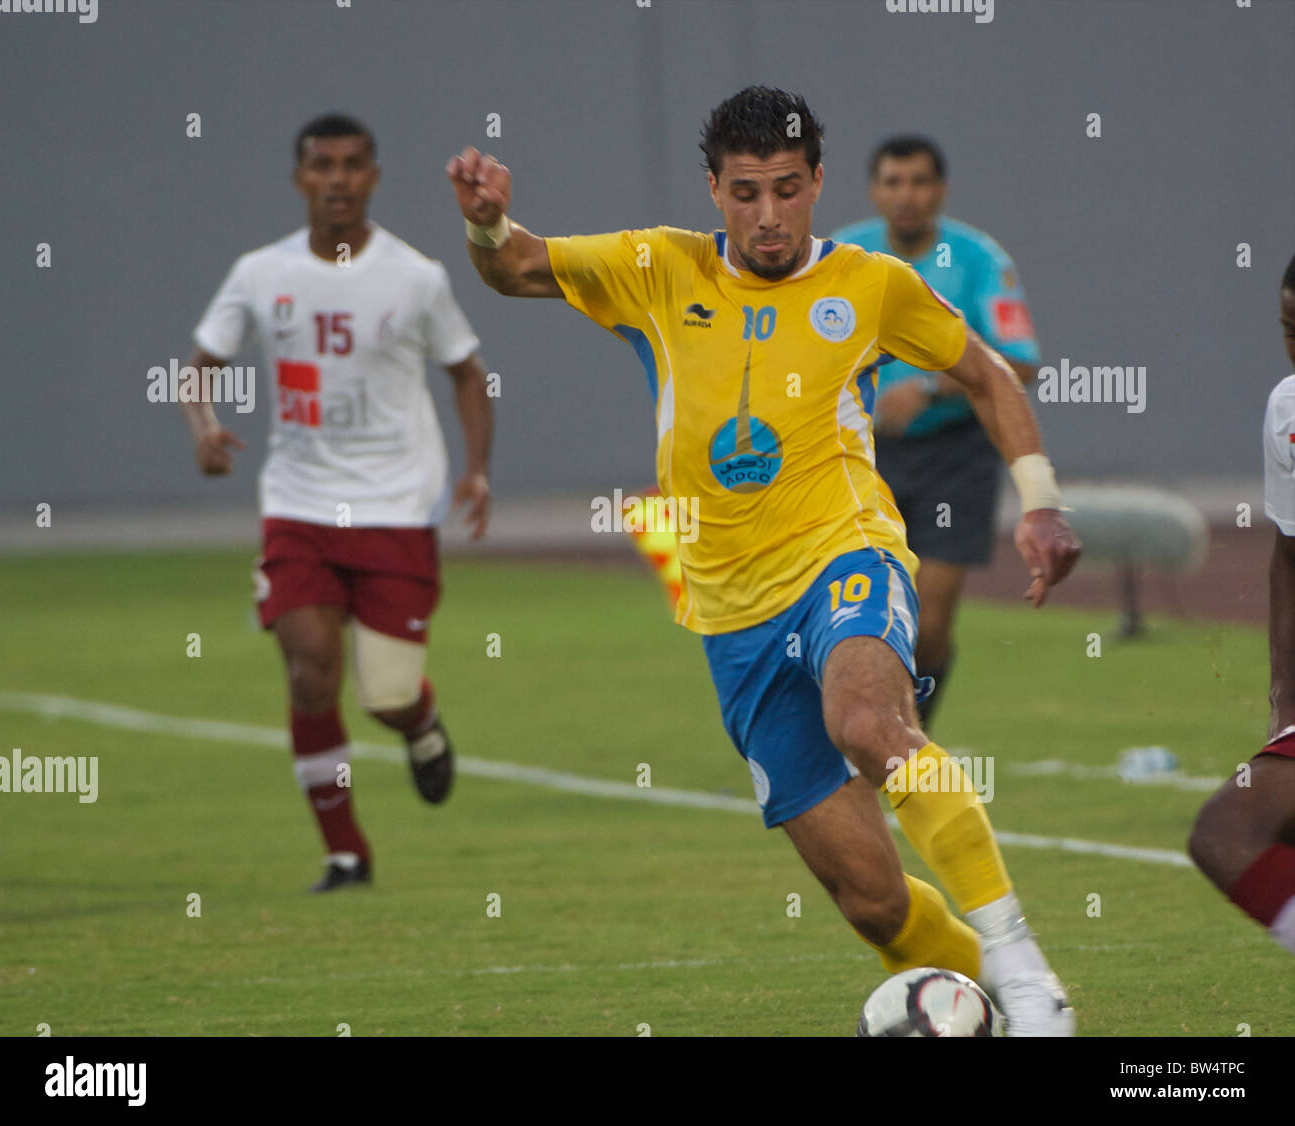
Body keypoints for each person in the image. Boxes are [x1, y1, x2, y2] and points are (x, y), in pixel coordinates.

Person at [446, 85, 1081, 1035]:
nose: (770, 215)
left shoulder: (869, 284)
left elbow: (986, 374)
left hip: (845, 550)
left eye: (789, 189)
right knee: (874, 903)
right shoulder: (658, 267)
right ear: (713, 190)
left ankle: (1027, 980)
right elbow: (520, 269)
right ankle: (990, 1003)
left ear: (819, 181)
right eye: (746, 193)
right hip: (732, 613)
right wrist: (489, 226)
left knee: (867, 720)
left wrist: (1039, 504)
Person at [180, 113, 493, 893]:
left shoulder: (416, 277)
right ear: (300, 179)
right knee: (310, 673)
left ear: (374, 178)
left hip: (395, 507)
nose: (338, 179)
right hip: (300, 504)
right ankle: (346, 853)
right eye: (323, 165)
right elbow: (200, 364)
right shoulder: (261, 272)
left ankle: (418, 721)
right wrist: (205, 427)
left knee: (384, 695)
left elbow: (466, 372)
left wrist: (477, 471)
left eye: (354, 165)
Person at [831, 136, 1040, 728]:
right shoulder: (845, 255)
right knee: (853, 609)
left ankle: (906, 740)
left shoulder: (979, 259)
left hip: (956, 454)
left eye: (920, 182)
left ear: (941, 191)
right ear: (874, 190)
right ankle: (859, 737)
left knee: (933, 619)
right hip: (863, 456)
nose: (906, 195)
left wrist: (925, 386)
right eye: (893, 182)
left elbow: (1019, 363)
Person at [1189, 252, 1295, 953]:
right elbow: (1290, 554)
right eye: (1290, 327)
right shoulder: (1288, 408)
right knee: (1225, 835)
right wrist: (1284, 696)